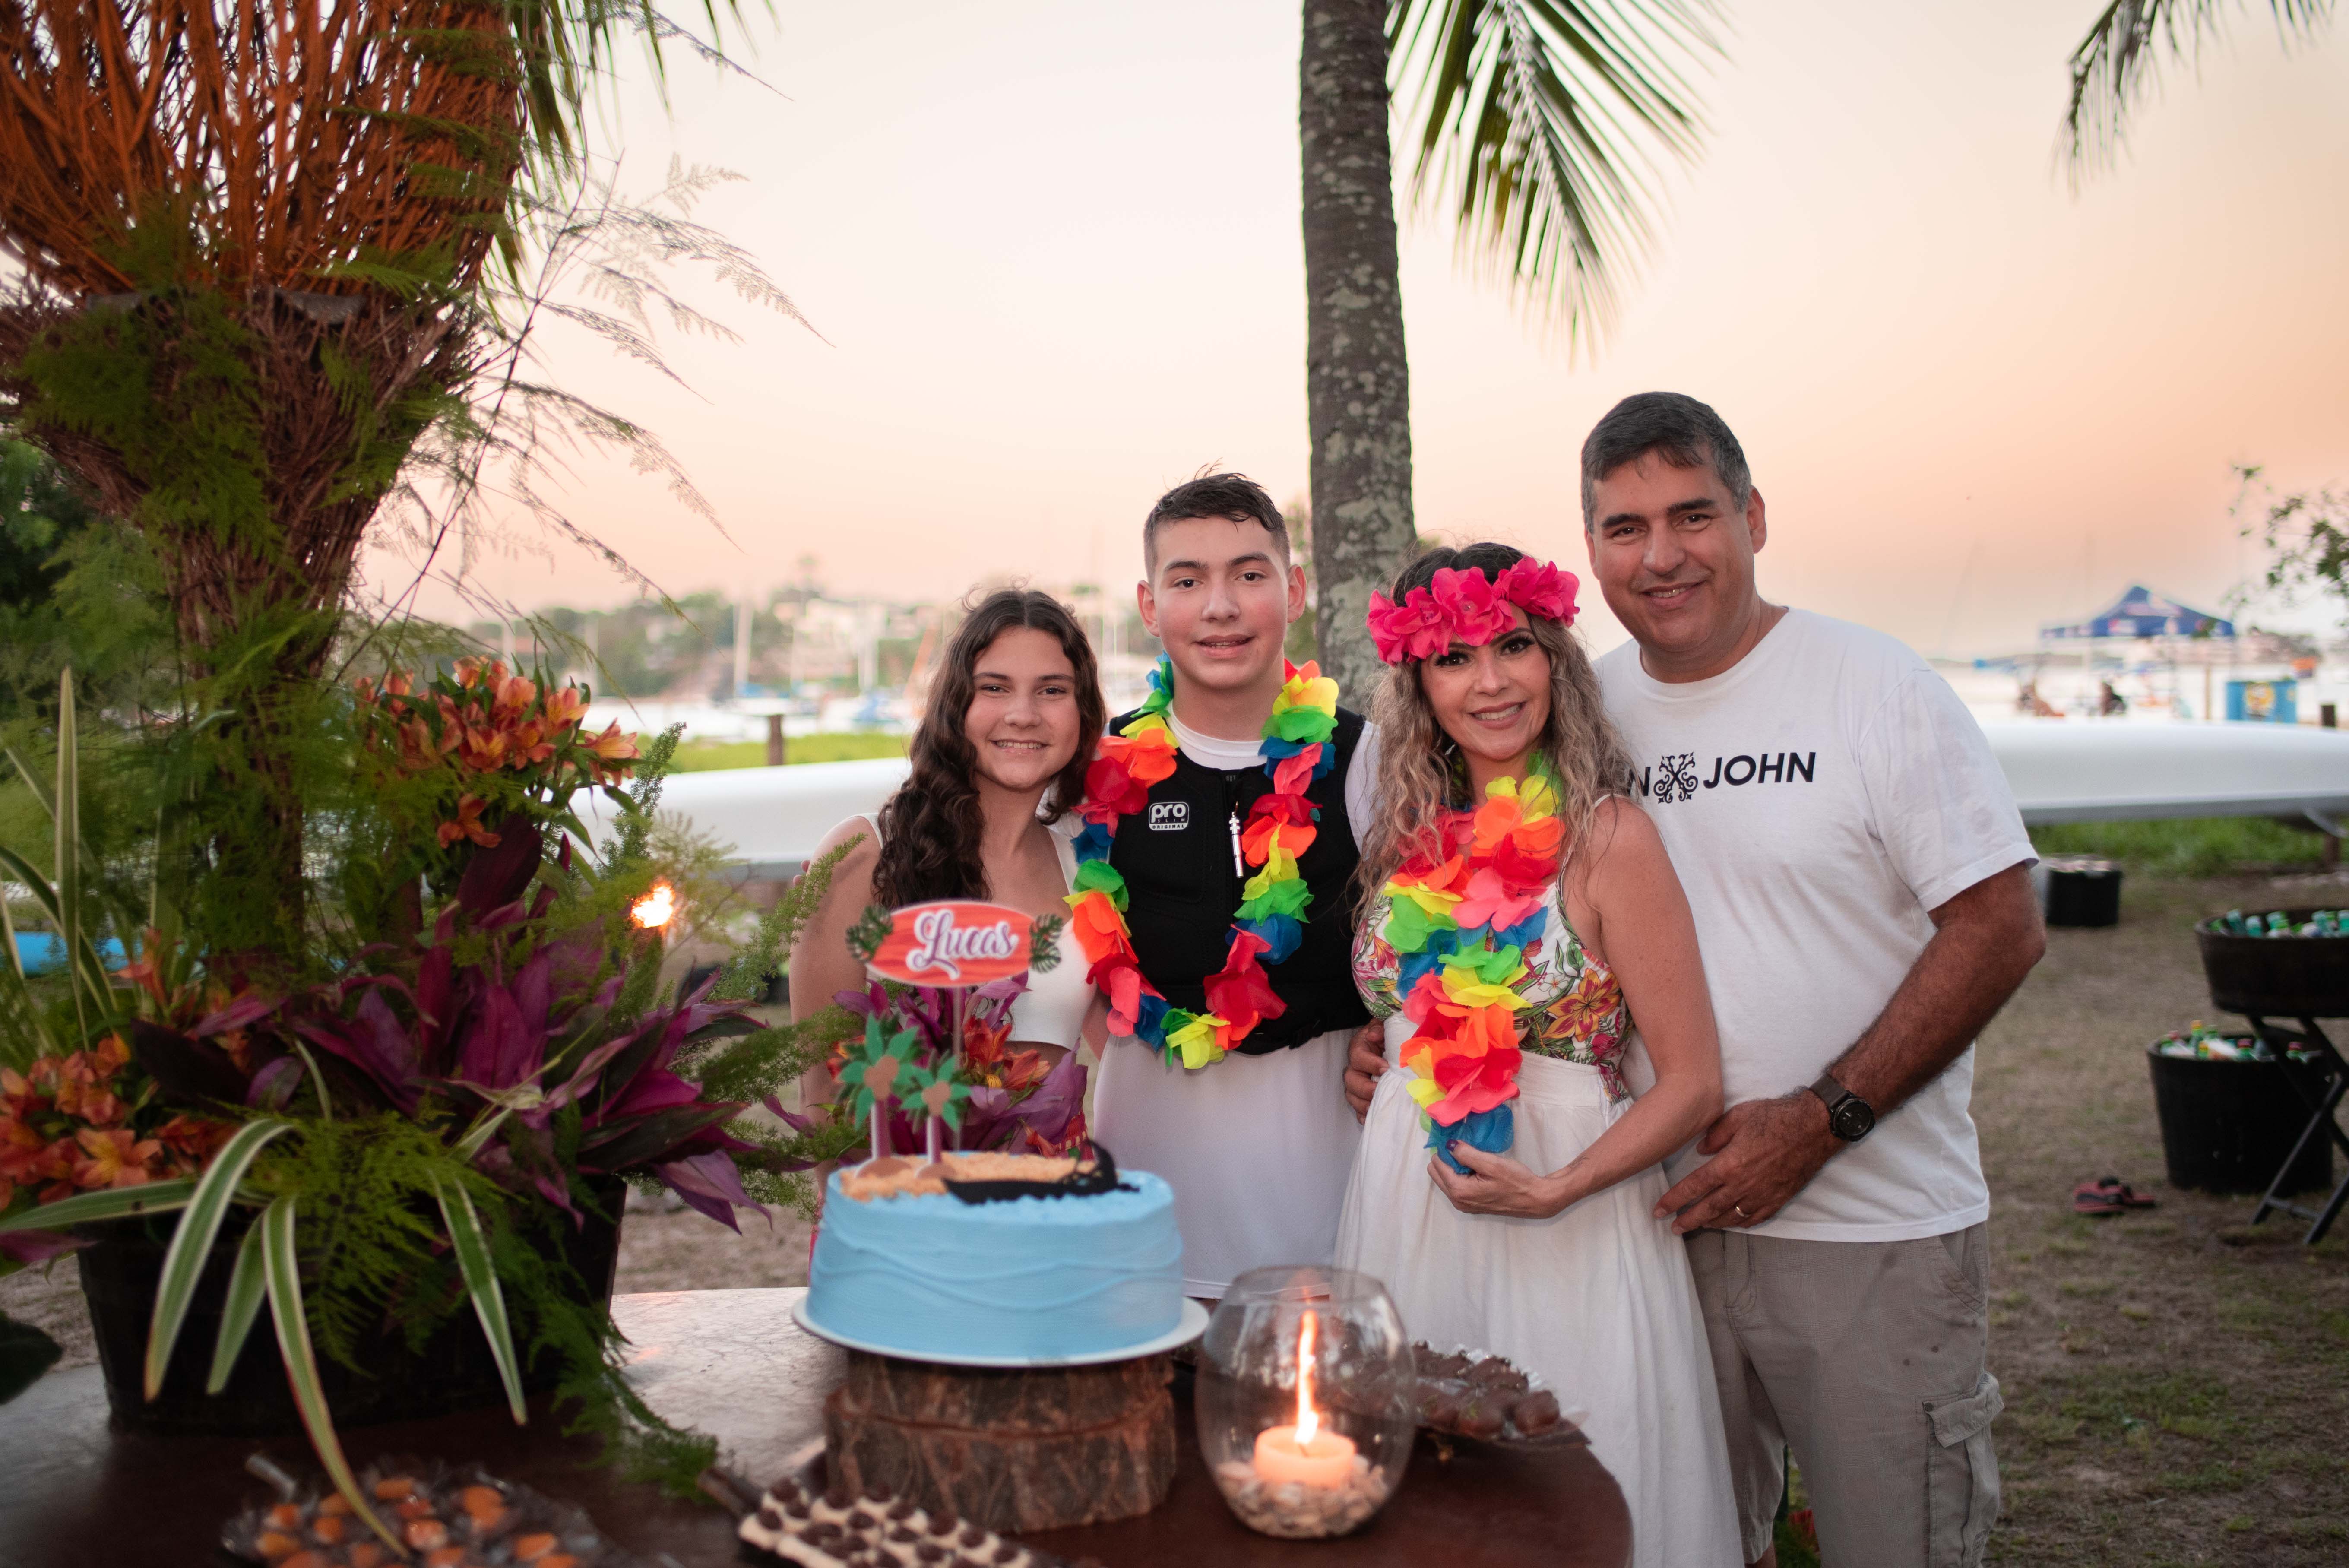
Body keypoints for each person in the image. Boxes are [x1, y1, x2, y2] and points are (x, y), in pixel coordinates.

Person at [1584, 391, 2041, 1568]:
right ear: (1591, 548)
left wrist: (1826, 1118)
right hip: (1645, 1236)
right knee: (1675, 1546)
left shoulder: (1873, 687)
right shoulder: (1580, 715)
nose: (1663, 555)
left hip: (1870, 1235)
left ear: (1755, 517)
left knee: (1898, 1544)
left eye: (1694, 515)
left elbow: (2001, 925)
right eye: (1625, 527)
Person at [1333, 542, 1741, 1568]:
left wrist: (1557, 1186)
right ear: (1419, 687)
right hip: (1408, 1203)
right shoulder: (1407, 839)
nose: (1491, 681)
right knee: (1423, 1500)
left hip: (1567, 1211)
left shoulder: (1608, 839)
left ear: (1554, 659)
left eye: (1513, 646)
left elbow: (1692, 1080)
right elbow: (1407, 1005)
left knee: (1567, 1495)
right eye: (1454, 658)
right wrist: (1372, 1052)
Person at [1067, 472, 1377, 1300]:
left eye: (1249, 574)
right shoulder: (1094, 777)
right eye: (1187, 580)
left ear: (1295, 588)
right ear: (1148, 603)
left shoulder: (1371, 763)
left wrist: (1397, 1039)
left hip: (1333, 1209)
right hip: (1147, 1209)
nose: (1220, 606)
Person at [790, 589, 1108, 1146]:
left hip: (1055, 1204)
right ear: (955, 703)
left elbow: (1127, 1055)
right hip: (908, 1208)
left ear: (1082, 713)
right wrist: (839, 1217)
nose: (1024, 714)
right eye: (995, 688)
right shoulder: (863, 856)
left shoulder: (1088, 863)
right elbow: (821, 1089)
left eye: (1052, 690)